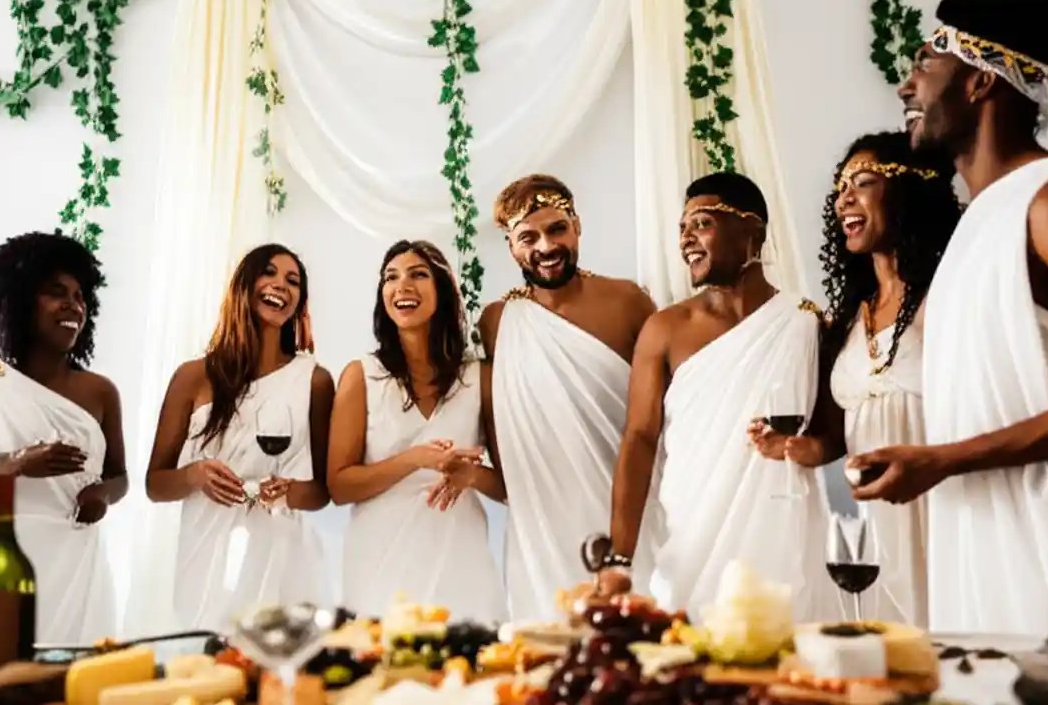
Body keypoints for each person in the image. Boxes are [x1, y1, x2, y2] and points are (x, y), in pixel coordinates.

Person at [850, 0, 1048, 635]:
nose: (905, 87)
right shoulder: (976, 224)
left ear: (980, 83)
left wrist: (948, 459)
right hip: (977, 562)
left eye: (924, 63)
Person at [748, 132, 961, 626]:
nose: (844, 197)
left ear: (909, 192)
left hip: (950, 507)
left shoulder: (951, 293)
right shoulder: (845, 322)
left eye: (862, 182)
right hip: (877, 530)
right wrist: (791, 446)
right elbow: (832, 437)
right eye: (840, 187)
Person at [606, 173, 837, 621]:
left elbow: (833, 436)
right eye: (682, 229)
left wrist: (798, 447)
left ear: (752, 231)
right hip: (689, 537)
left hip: (782, 533)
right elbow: (638, 438)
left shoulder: (805, 323)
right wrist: (619, 558)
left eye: (702, 223)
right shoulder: (665, 329)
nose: (687, 240)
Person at [0, 231, 127, 643]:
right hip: (8, 558)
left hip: (82, 560)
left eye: (79, 295)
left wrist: (103, 496)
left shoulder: (101, 391)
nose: (73, 305)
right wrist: (15, 463)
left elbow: (119, 476)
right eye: (56, 292)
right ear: (19, 299)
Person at [481, 174, 656, 621]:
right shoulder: (498, 322)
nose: (545, 246)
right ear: (511, 248)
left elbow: (660, 414)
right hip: (539, 520)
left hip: (625, 509)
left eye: (556, 229)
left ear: (577, 226)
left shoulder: (628, 301)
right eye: (528, 237)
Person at [145, 243, 333, 630]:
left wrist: (286, 492)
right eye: (269, 273)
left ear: (299, 302)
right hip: (206, 555)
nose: (281, 284)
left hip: (282, 557)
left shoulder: (314, 380)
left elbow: (321, 492)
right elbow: (155, 484)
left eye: (293, 280)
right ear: (244, 286)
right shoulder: (192, 376)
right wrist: (193, 475)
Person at [327, 240, 506, 621]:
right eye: (390, 277)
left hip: (460, 557)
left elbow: (509, 487)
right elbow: (339, 486)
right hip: (381, 557)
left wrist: (471, 475)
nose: (402, 285)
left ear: (443, 290)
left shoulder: (480, 377)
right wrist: (412, 459)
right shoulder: (361, 376)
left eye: (418, 274)